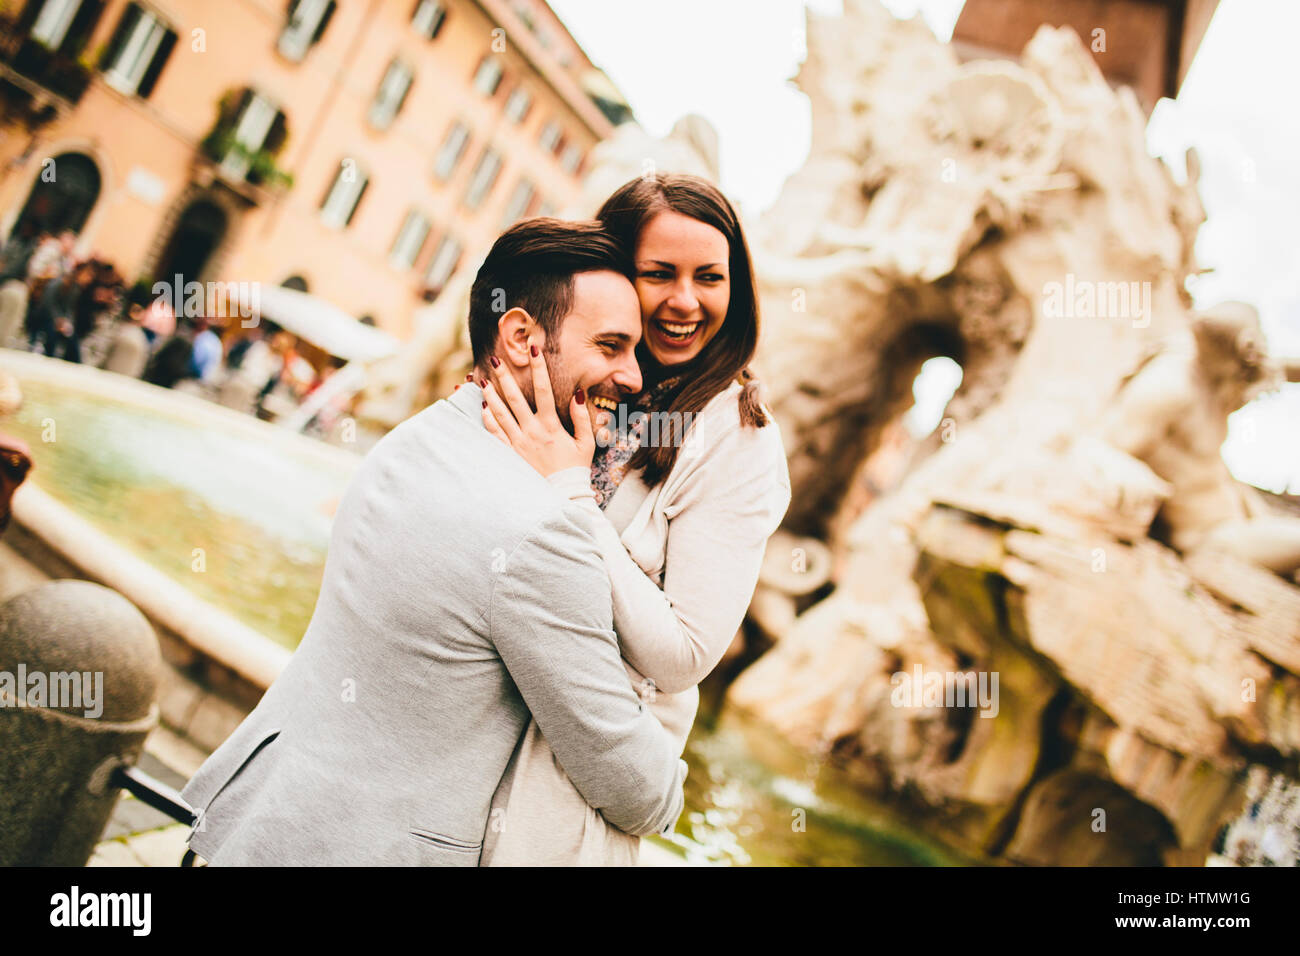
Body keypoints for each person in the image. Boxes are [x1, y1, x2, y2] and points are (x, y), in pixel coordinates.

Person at [180, 218, 686, 865]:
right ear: (523, 337)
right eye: (611, 345)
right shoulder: (540, 530)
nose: (634, 376)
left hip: (251, 820)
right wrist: (673, 744)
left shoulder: (419, 435)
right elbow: (639, 793)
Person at [478, 173, 791, 865]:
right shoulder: (580, 380)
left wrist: (571, 495)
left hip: (564, 799)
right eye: (658, 274)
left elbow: (683, 656)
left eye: (710, 276)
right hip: (469, 753)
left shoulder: (737, 433)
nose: (686, 301)